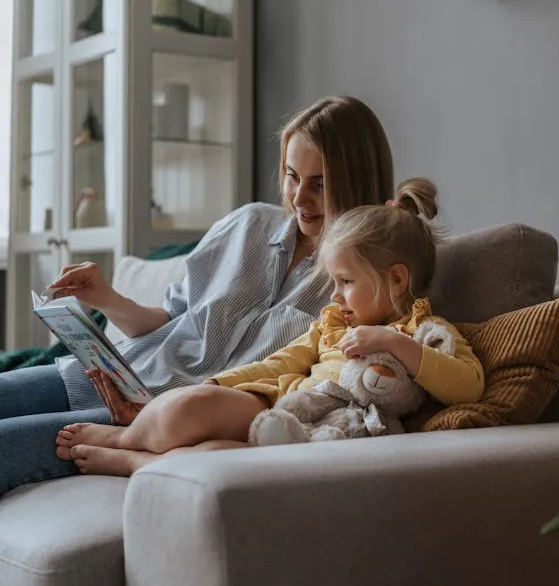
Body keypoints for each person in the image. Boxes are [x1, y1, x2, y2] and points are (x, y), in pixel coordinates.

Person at [0, 96, 395, 495]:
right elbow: (170, 318)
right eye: (292, 176)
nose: (298, 199)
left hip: (159, 423)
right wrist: (106, 298)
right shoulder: (248, 224)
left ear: (357, 182)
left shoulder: (361, 281)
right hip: (114, 374)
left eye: (319, 185)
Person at [56, 178, 485, 477]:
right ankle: (130, 436)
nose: (334, 296)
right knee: (189, 405)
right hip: (284, 407)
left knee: (212, 459)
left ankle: (132, 462)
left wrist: (396, 343)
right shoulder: (331, 325)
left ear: (396, 280)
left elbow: (468, 385)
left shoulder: (426, 331)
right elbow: (281, 362)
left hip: (333, 435)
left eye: (346, 283)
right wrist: (219, 384)